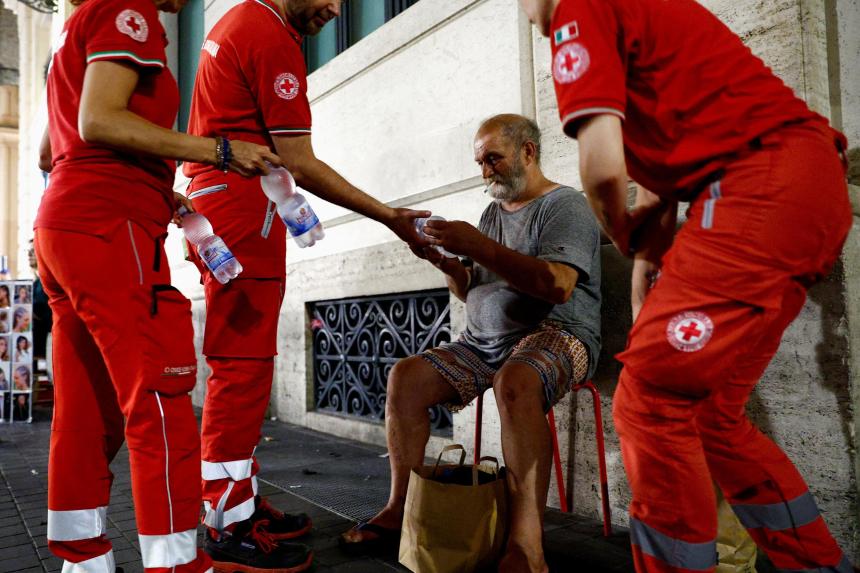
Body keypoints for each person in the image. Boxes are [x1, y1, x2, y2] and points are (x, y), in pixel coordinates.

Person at [520, 0, 855, 572]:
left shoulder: (580, 5)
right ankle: (817, 565)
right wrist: (648, 260)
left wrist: (622, 238)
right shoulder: (640, 20)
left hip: (756, 187)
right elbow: (663, 180)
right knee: (714, 415)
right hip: (804, 187)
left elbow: (602, 171)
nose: (524, 12)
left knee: (650, 401)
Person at [182, 0, 428, 570]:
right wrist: (389, 215)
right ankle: (225, 522)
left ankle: (238, 504)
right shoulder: (268, 34)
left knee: (243, 367)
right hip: (239, 214)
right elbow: (300, 160)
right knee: (242, 370)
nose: (335, 9)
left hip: (223, 207)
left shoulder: (242, 21)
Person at [34, 0, 278, 568]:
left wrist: (154, 187)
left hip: (66, 227)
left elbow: (53, 150)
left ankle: (83, 558)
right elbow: (100, 120)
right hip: (108, 229)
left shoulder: (80, 22)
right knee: (160, 401)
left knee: (86, 409)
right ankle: (176, 562)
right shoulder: (128, 10)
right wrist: (220, 150)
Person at [340, 114, 602, 573]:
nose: (485, 172)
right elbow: (470, 290)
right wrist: (445, 263)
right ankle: (400, 507)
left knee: (515, 381)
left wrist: (479, 246)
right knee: (406, 377)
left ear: (528, 151)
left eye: (493, 159)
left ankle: (528, 546)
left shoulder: (564, 206)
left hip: (558, 335)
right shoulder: (491, 215)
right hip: (482, 344)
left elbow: (559, 286)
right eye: (480, 162)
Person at [28, 240, 52, 360]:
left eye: (33, 251)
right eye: (29, 251)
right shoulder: (36, 282)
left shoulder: (48, 281)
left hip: (47, 344)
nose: (29, 254)